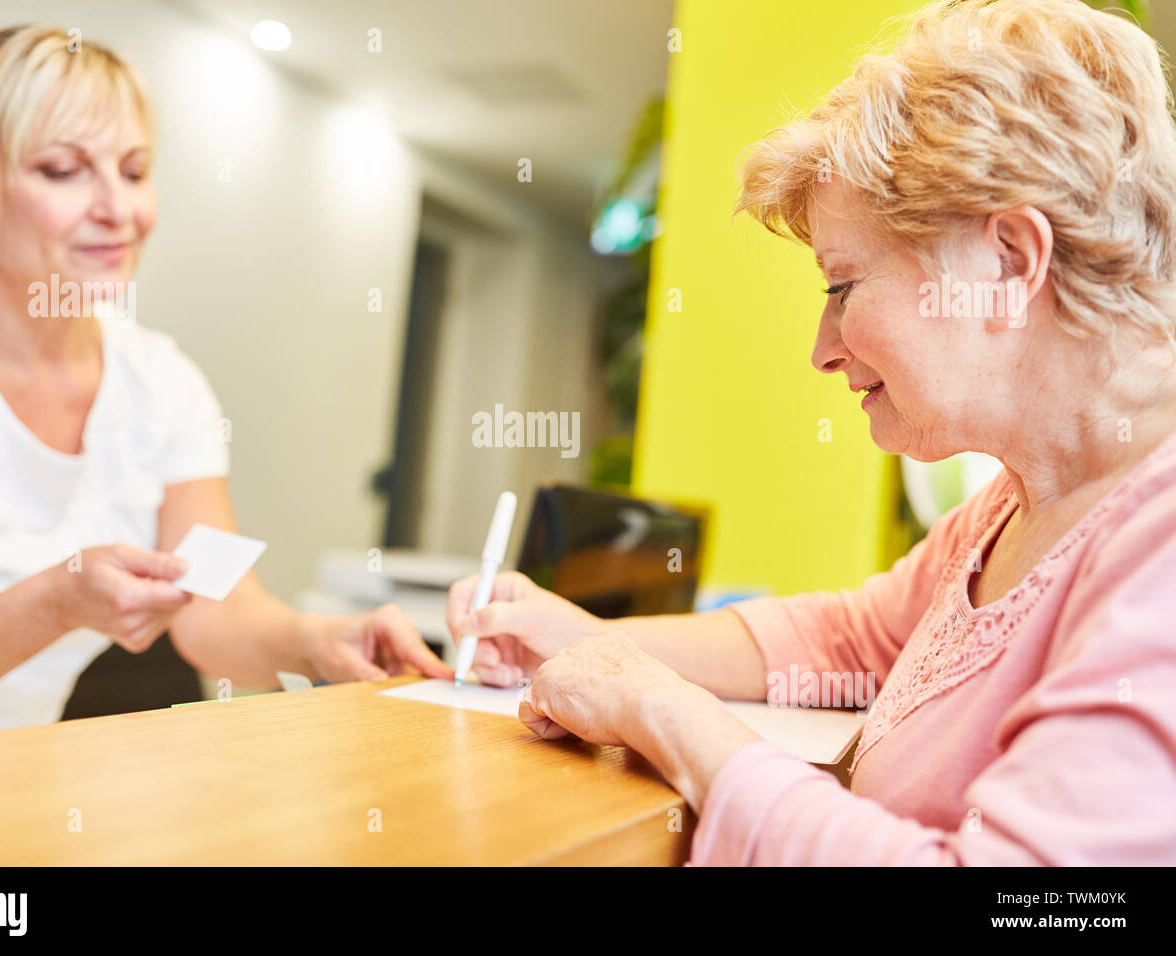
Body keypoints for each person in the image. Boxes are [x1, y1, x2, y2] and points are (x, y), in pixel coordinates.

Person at [446, 0, 1176, 864]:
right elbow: (848, 640)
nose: (823, 351)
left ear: (1009, 263)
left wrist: (663, 712)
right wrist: (580, 638)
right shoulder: (1015, 508)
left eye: (842, 286)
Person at [0, 25, 450, 738]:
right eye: (63, 170)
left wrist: (316, 642)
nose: (120, 210)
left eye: (136, 170)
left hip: (7, 792)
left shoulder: (163, 381)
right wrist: (55, 601)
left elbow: (215, 611)